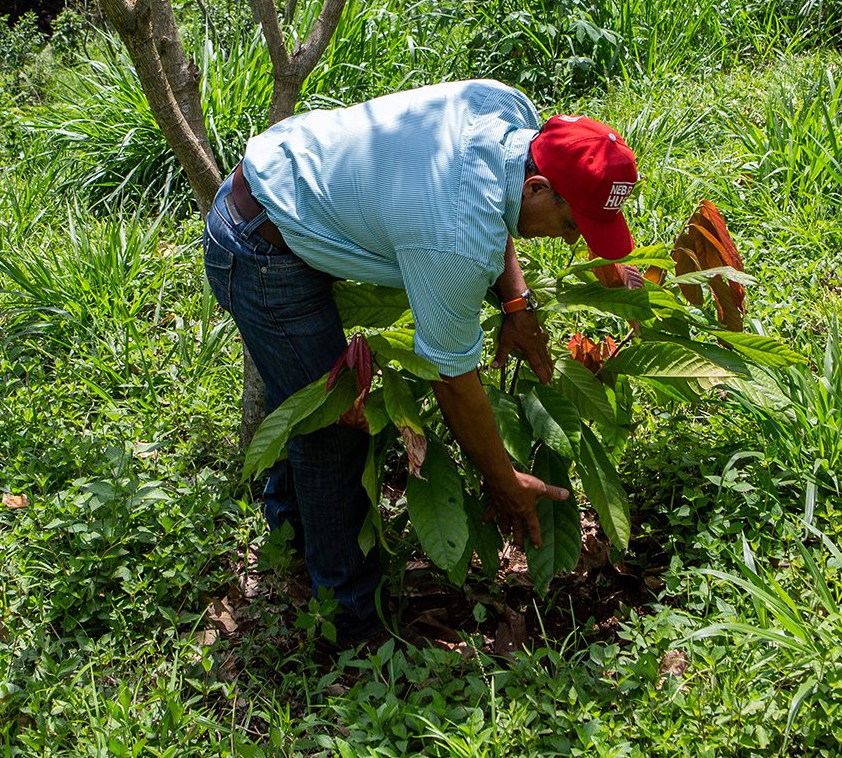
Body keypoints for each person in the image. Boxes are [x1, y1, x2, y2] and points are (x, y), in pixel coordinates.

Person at [202, 78, 641, 642]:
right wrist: (503, 480)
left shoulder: (505, 111)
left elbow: (494, 202)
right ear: (538, 187)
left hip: (288, 186)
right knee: (333, 429)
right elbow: (453, 379)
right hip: (259, 247)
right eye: (571, 225)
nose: (571, 242)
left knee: (305, 397)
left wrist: (516, 299)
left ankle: (291, 536)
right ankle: (350, 624)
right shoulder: (456, 242)